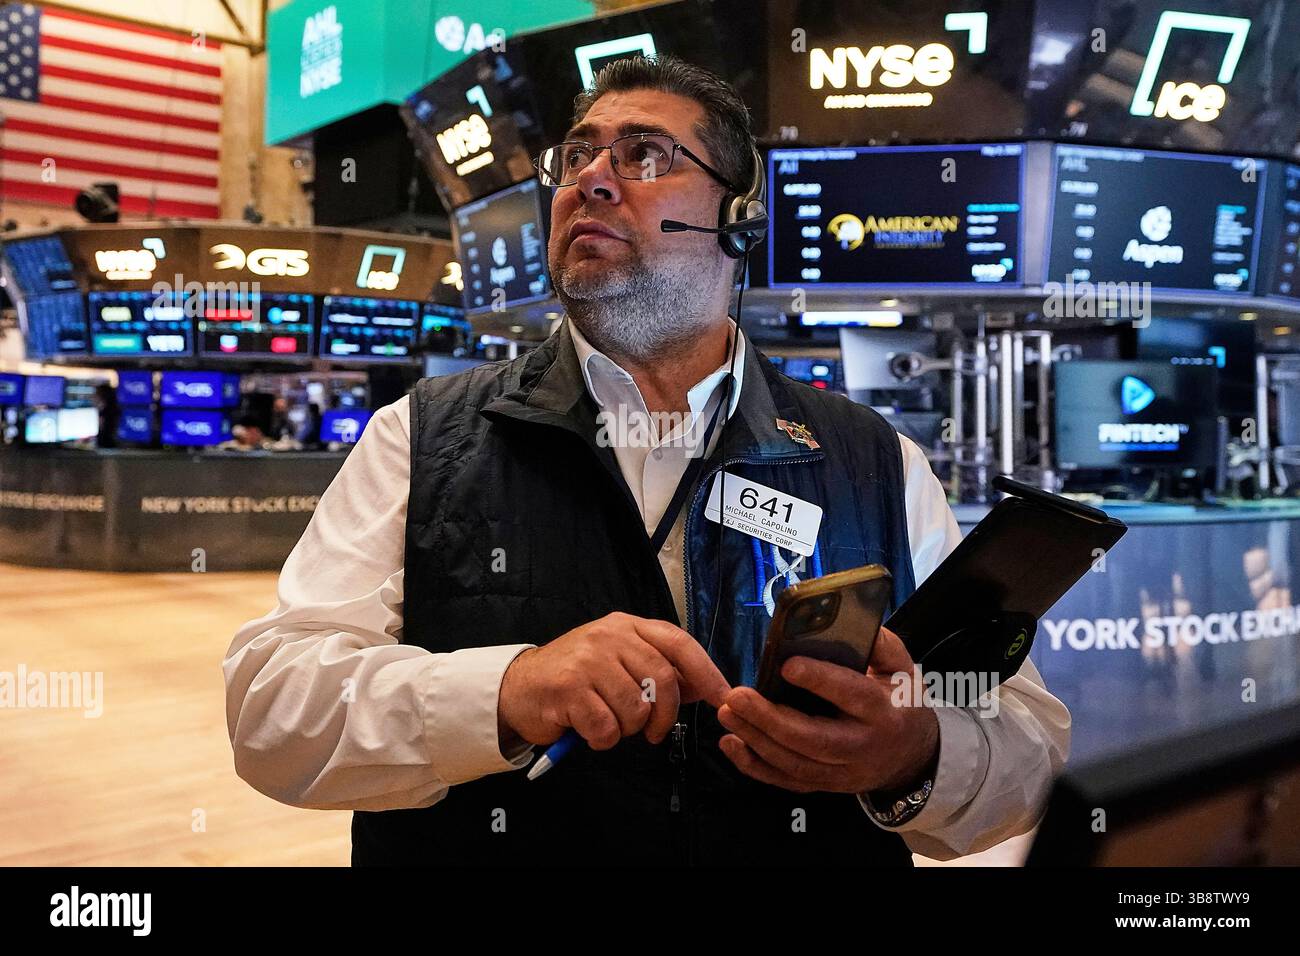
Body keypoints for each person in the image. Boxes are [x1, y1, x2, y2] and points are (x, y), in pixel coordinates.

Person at [224, 55, 1069, 866]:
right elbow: (271, 709)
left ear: (737, 216)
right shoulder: (423, 434)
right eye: (578, 154)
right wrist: (506, 691)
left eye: (643, 155)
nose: (591, 178)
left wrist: (916, 749)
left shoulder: (873, 458)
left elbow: (1026, 747)